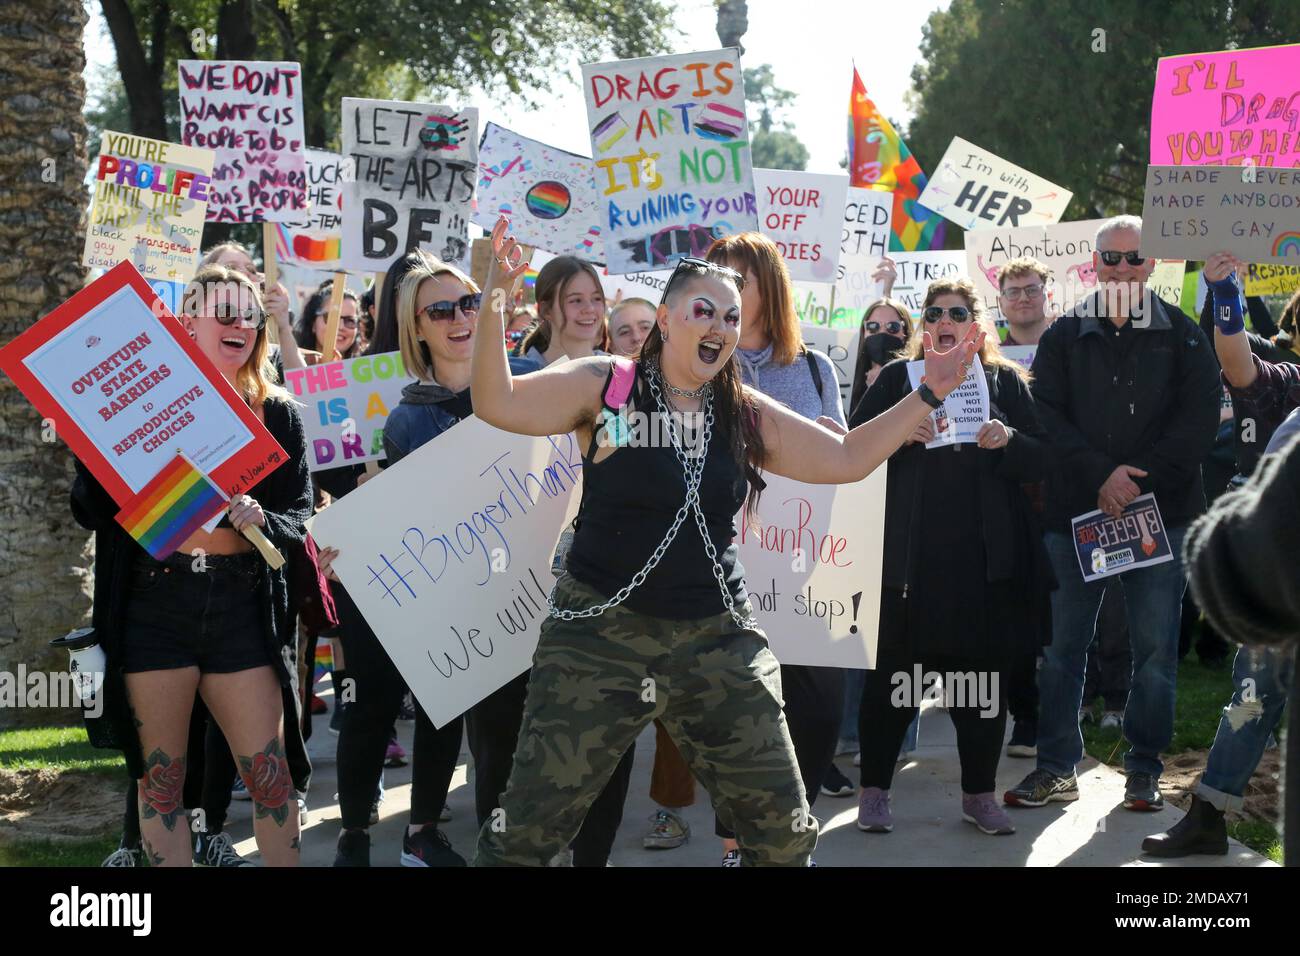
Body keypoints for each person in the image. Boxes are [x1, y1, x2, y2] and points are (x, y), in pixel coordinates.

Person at [470, 217, 981, 866]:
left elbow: (849, 457)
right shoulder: (615, 385)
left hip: (716, 638)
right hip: (600, 637)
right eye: (703, 310)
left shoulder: (739, 408)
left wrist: (929, 391)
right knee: (526, 838)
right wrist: (492, 297)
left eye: (732, 317)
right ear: (664, 319)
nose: (719, 326)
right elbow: (497, 402)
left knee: (785, 836)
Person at [73, 264, 312, 866]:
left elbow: (302, 521)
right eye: (222, 312)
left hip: (241, 610)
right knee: (161, 783)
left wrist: (266, 520)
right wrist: (107, 450)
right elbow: (87, 508)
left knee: (271, 779)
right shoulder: (136, 407)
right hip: (155, 605)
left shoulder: (279, 414)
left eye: (249, 314)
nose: (239, 324)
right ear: (187, 322)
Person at [318, 254, 533, 867]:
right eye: (440, 310)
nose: (459, 318)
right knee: (394, 706)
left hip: (503, 588)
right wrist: (350, 536)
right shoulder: (404, 415)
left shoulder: (528, 382)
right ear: (417, 327)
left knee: (472, 717)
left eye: (468, 303)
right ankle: (370, 834)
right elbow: (383, 509)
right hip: (416, 586)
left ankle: (451, 835)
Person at [1005, 215, 1221, 813]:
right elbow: (1045, 414)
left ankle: (1143, 771)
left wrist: (1131, 481)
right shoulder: (1063, 336)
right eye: (1112, 258)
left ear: (1153, 265)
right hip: (1075, 516)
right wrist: (1101, 475)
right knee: (1062, 650)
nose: (1123, 268)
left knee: (1154, 652)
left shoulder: (1183, 336)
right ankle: (1054, 768)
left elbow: (1198, 424)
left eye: (1134, 258)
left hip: (1163, 515)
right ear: (1093, 264)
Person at [852, 277, 1049, 835]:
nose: (945, 320)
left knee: (982, 686)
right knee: (892, 683)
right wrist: (897, 435)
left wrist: (1007, 437)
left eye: (957, 312)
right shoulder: (898, 378)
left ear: (975, 324)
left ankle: (979, 795)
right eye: (934, 312)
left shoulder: (1004, 381)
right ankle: (875, 792)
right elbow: (850, 451)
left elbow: (1042, 458)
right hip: (907, 570)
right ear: (924, 325)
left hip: (984, 569)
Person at [1141, 251, 1300, 856]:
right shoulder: (1285, 384)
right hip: (1282, 581)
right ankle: (1209, 813)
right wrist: (1222, 285)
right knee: (1253, 700)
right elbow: (1233, 355)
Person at [705, 231, 848, 862]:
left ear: (771, 288)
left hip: (808, 567)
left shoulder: (815, 368)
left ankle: (796, 828)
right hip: (724, 569)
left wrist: (831, 438)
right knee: (739, 713)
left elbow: (842, 457)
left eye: (742, 276)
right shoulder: (699, 364)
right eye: (719, 276)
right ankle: (737, 840)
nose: (729, 287)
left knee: (817, 707)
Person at [200, 241, 300, 372]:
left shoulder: (272, 354)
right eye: (231, 268)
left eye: (251, 269)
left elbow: (302, 389)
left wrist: (283, 327)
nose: (245, 273)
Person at [518, 255, 606, 365]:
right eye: (576, 300)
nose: (590, 308)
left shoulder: (621, 374)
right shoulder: (519, 376)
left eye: (597, 298)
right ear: (546, 310)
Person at [294, 280, 363, 362]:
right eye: (331, 318)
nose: (340, 327)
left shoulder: (367, 371)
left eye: (350, 321)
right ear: (313, 324)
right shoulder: (290, 365)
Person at [998, 257, 1053, 347]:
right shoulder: (989, 360)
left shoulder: (1074, 355)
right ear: (1000, 303)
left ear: (1050, 297)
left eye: (1032, 290)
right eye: (1013, 292)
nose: (1023, 298)